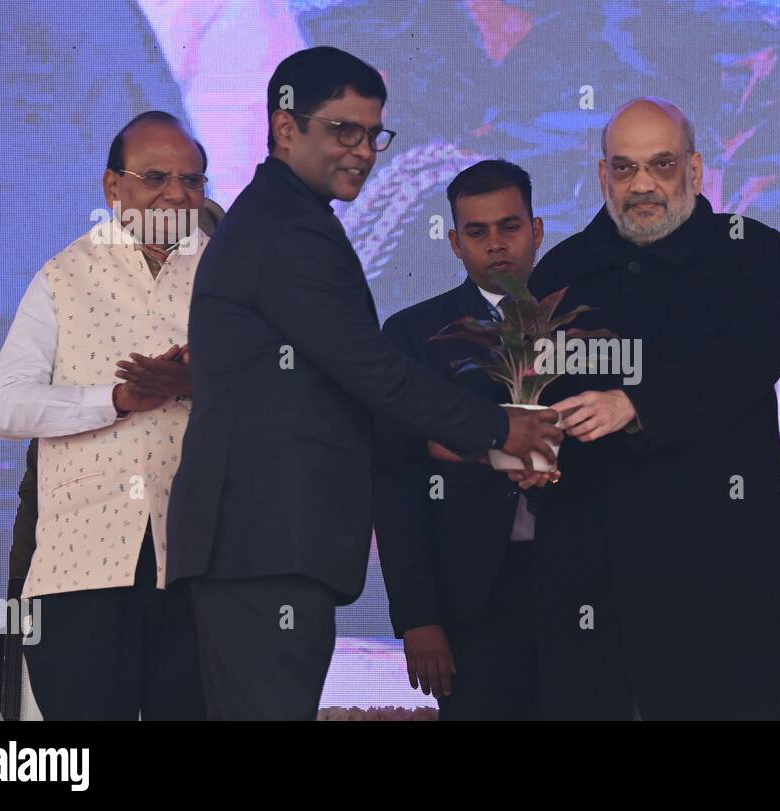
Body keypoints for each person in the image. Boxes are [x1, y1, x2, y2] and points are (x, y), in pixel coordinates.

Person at [165, 47, 561, 721]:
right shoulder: (288, 229)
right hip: (264, 543)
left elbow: (352, 389)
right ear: (286, 128)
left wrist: (471, 448)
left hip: (267, 546)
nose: (363, 151)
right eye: (343, 130)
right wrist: (501, 428)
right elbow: (370, 369)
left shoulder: (291, 218)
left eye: (373, 133)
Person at [528, 97, 780, 720]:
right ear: (603, 178)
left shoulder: (749, 251)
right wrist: (530, 460)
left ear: (696, 170)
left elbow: (751, 359)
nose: (643, 185)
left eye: (662, 164)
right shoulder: (560, 272)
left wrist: (636, 403)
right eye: (624, 169)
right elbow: (532, 404)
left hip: (721, 583)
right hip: (592, 589)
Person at [0, 111, 209, 720]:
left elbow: (278, 400)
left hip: (201, 565)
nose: (176, 193)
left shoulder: (230, 275)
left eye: (192, 179)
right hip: (81, 566)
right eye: (156, 175)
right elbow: (4, 406)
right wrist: (113, 399)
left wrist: (201, 384)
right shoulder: (64, 275)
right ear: (114, 187)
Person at [376, 159, 553, 719]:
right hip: (468, 597)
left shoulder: (583, 326)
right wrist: (418, 615)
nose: (496, 245)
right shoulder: (412, 335)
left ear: (537, 230)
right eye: (477, 232)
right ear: (454, 242)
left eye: (510, 227)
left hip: (579, 583)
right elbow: (397, 477)